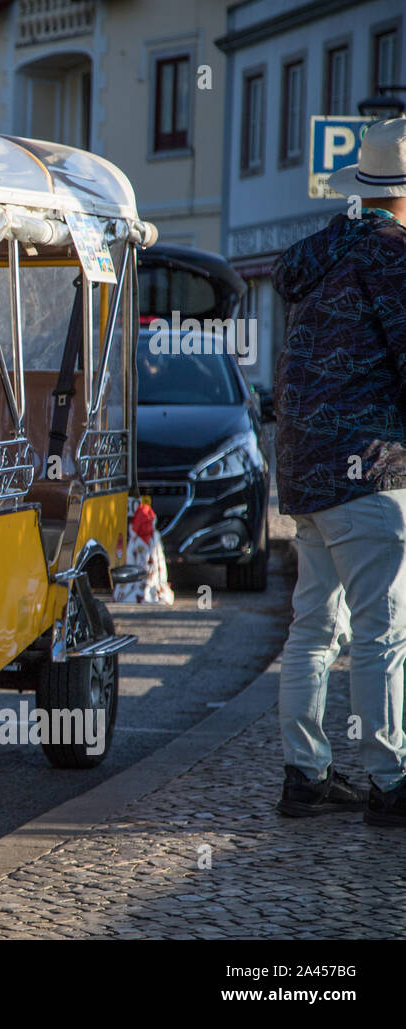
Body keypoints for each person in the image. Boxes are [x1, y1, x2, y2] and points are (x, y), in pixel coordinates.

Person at [270, 117, 406, 824]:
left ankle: (306, 774)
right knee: (382, 631)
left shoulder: (317, 255)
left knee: (312, 626)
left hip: (304, 469)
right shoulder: (395, 256)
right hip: (368, 471)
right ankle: (391, 782)